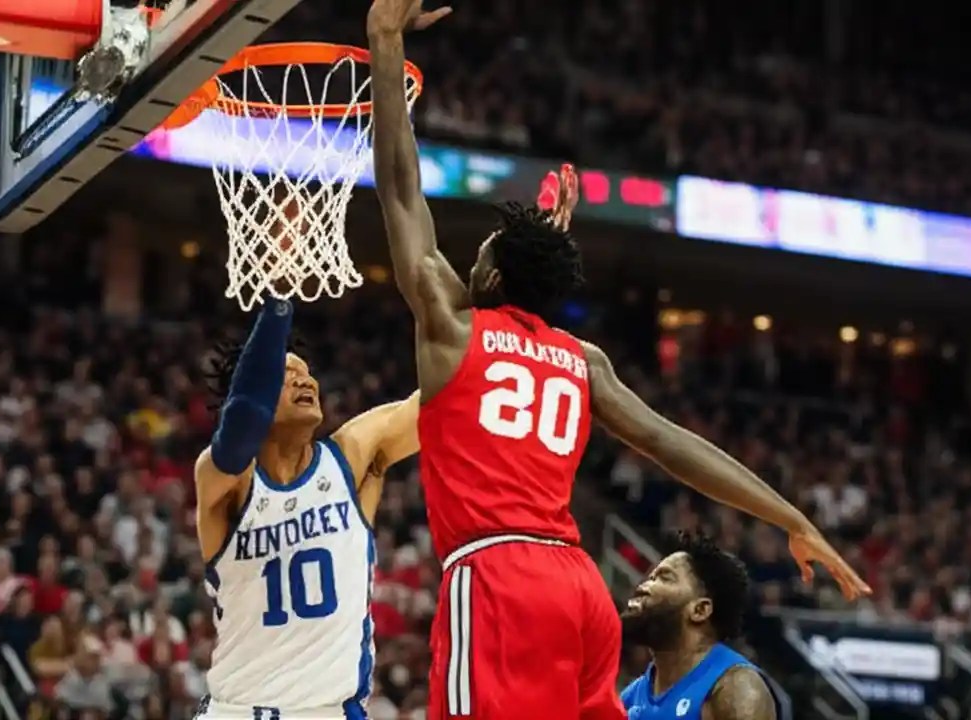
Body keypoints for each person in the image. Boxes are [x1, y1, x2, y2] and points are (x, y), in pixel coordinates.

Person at [365, 3, 871, 718]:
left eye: (479, 256)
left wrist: (384, 42)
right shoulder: (583, 359)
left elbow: (399, 186)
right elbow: (675, 445)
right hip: (581, 590)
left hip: (497, 572)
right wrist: (790, 516)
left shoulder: (453, 327)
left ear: (496, 280)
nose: (466, 260)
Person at [191, 299, 420, 720]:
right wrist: (277, 306)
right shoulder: (225, 478)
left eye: (307, 373)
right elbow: (242, 423)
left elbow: (442, 400)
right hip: (237, 712)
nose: (305, 381)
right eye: (286, 374)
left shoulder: (351, 456)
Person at [620, 534, 775, 719]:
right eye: (650, 577)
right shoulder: (630, 699)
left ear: (700, 610)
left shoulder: (735, 688)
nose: (643, 586)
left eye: (664, 578)